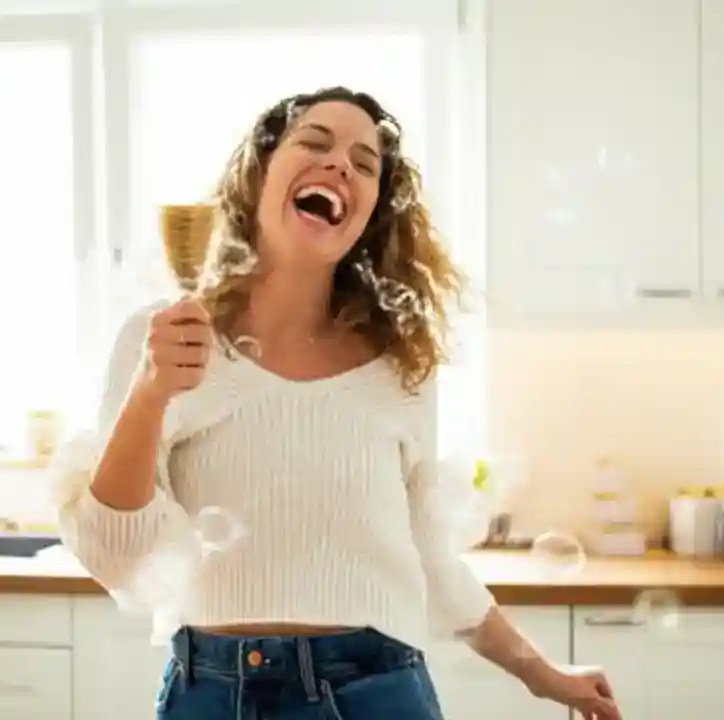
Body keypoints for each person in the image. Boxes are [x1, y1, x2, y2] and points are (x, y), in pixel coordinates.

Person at [52, 86, 622, 720]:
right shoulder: (160, 340)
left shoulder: (400, 365)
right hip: (211, 694)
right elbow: (117, 554)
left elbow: (427, 555)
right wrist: (151, 392)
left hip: (379, 692)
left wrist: (540, 673)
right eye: (314, 143)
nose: (340, 165)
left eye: (364, 163)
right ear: (259, 174)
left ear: (372, 211)